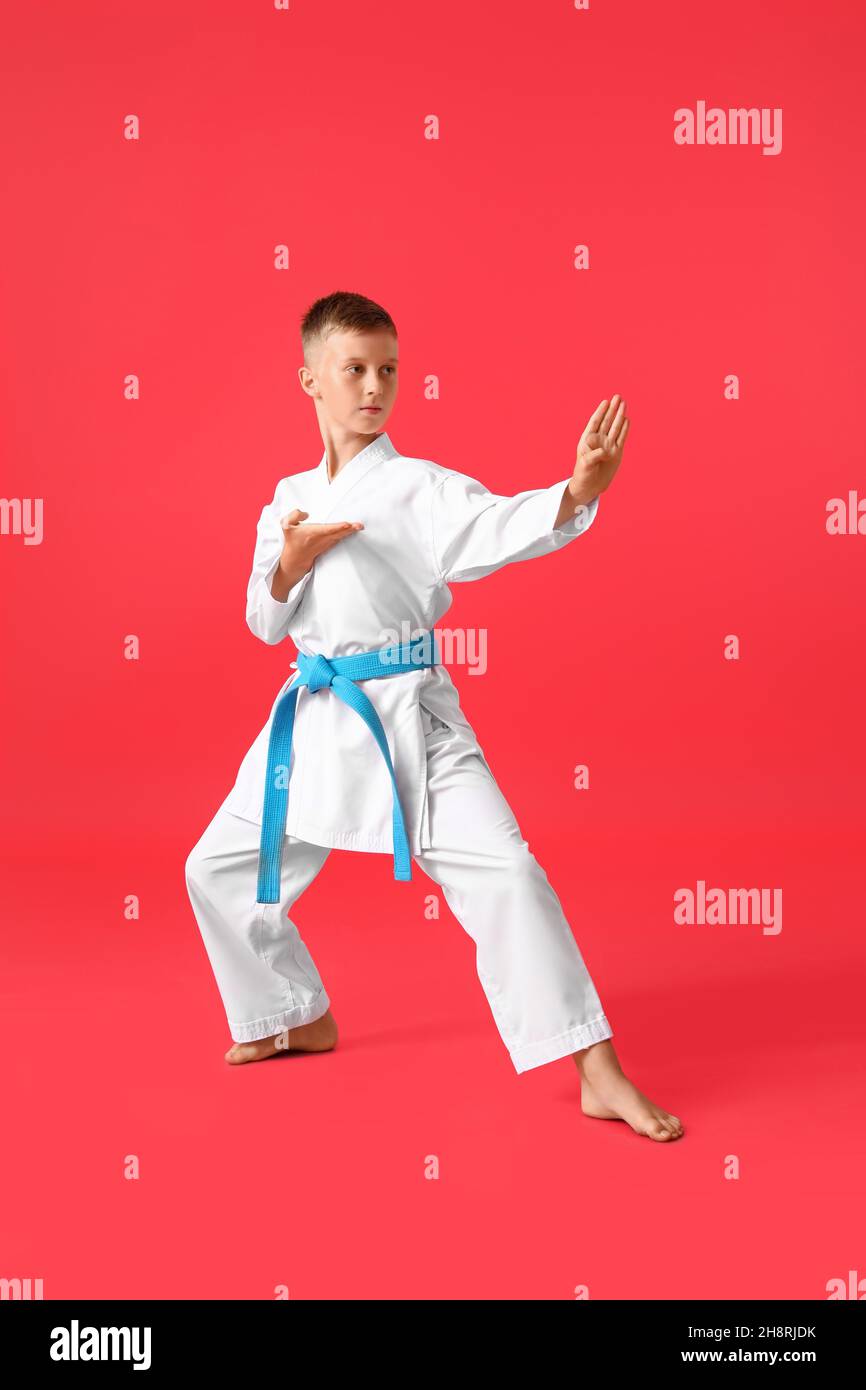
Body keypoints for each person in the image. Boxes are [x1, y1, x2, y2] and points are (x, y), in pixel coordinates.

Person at [185, 290, 684, 1143]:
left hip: (409, 720)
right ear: (309, 379)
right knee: (214, 870)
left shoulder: (420, 487)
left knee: (512, 875)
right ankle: (295, 1012)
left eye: (388, 370)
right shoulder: (289, 495)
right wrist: (289, 564)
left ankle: (595, 1067)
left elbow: (494, 526)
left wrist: (572, 493)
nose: (374, 386)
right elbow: (264, 622)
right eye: (354, 370)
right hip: (311, 718)